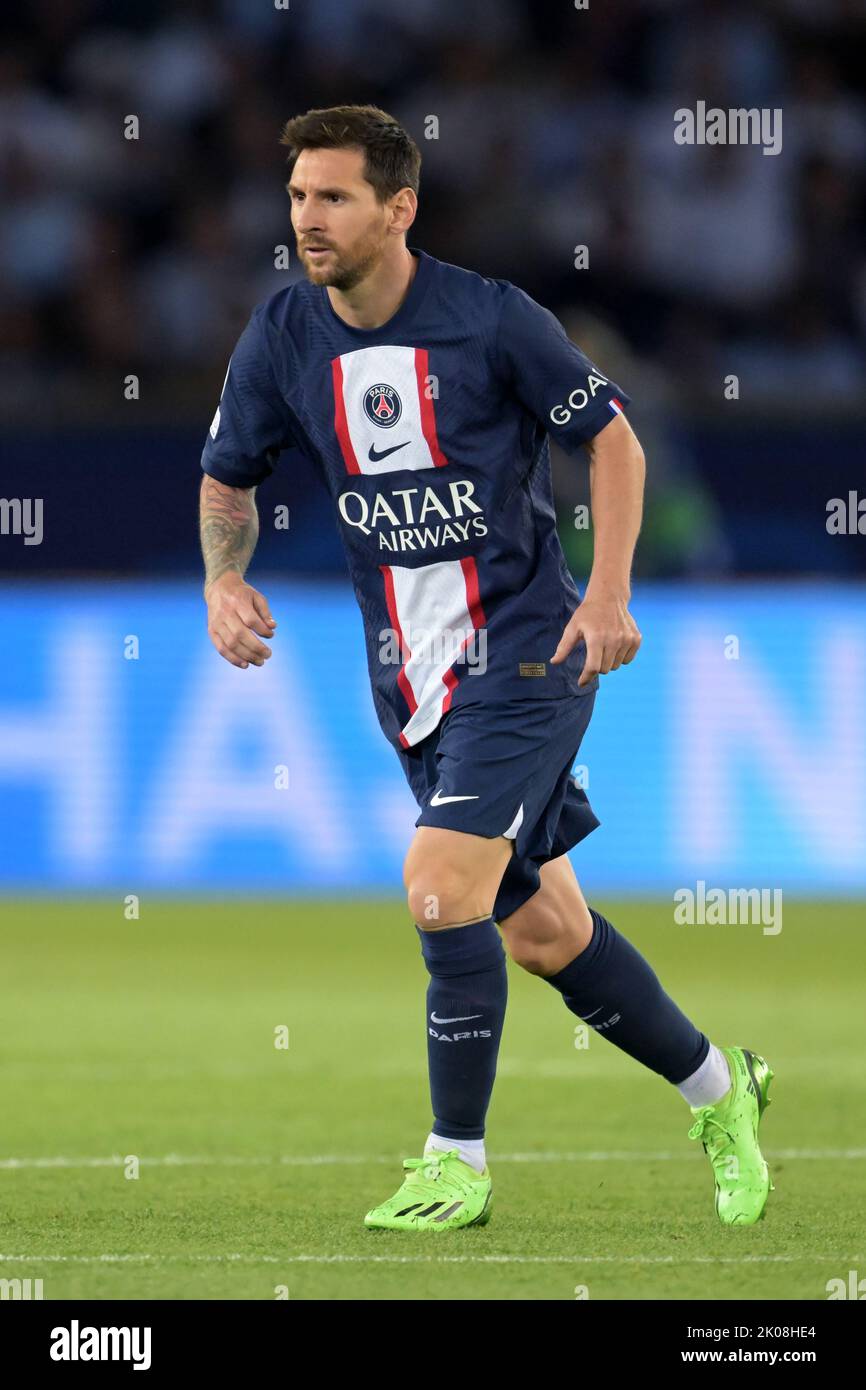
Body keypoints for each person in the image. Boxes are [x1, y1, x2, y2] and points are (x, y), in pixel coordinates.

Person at [199, 104, 774, 1231]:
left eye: (333, 198)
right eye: (298, 197)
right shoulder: (281, 336)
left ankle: (452, 1161)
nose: (307, 219)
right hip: (408, 679)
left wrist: (605, 590)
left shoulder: (491, 319)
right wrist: (222, 581)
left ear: (397, 207)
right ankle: (721, 1088)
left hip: (525, 649)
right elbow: (228, 477)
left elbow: (609, 436)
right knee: (542, 930)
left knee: (437, 887)